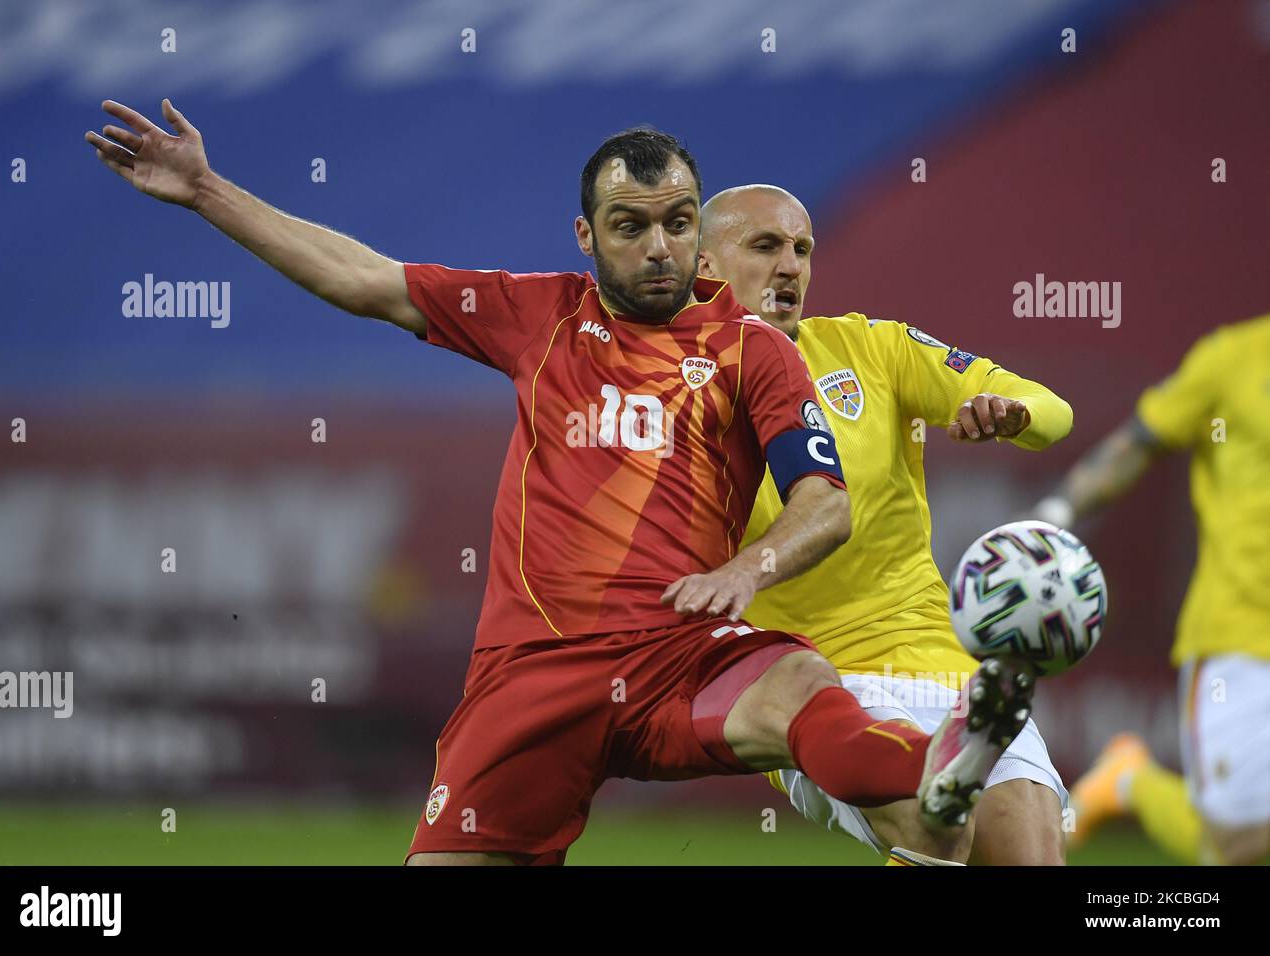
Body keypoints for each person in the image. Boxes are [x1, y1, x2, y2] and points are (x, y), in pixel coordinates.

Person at [86, 104, 1033, 865]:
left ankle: (947, 769)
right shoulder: (535, 315)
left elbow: (826, 505)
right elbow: (364, 279)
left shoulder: (754, 353)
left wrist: (751, 568)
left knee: (803, 687)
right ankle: (936, 788)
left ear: (697, 233)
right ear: (589, 234)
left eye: (675, 225)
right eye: (631, 227)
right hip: (533, 677)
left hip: (681, 652)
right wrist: (209, 191)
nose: (657, 247)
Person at [698, 184, 1072, 864]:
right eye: (765, 246)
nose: (791, 265)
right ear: (703, 268)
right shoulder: (669, 397)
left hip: (946, 664)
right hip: (810, 683)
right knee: (936, 826)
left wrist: (1012, 413)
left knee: (1028, 855)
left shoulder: (871, 350)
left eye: (802, 249)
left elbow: (1053, 410)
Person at [1033, 315, 1270, 865]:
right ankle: (1130, 782)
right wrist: (1057, 512)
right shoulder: (1233, 358)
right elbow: (1137, 443)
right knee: (1229, 851)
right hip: (1243, 636)